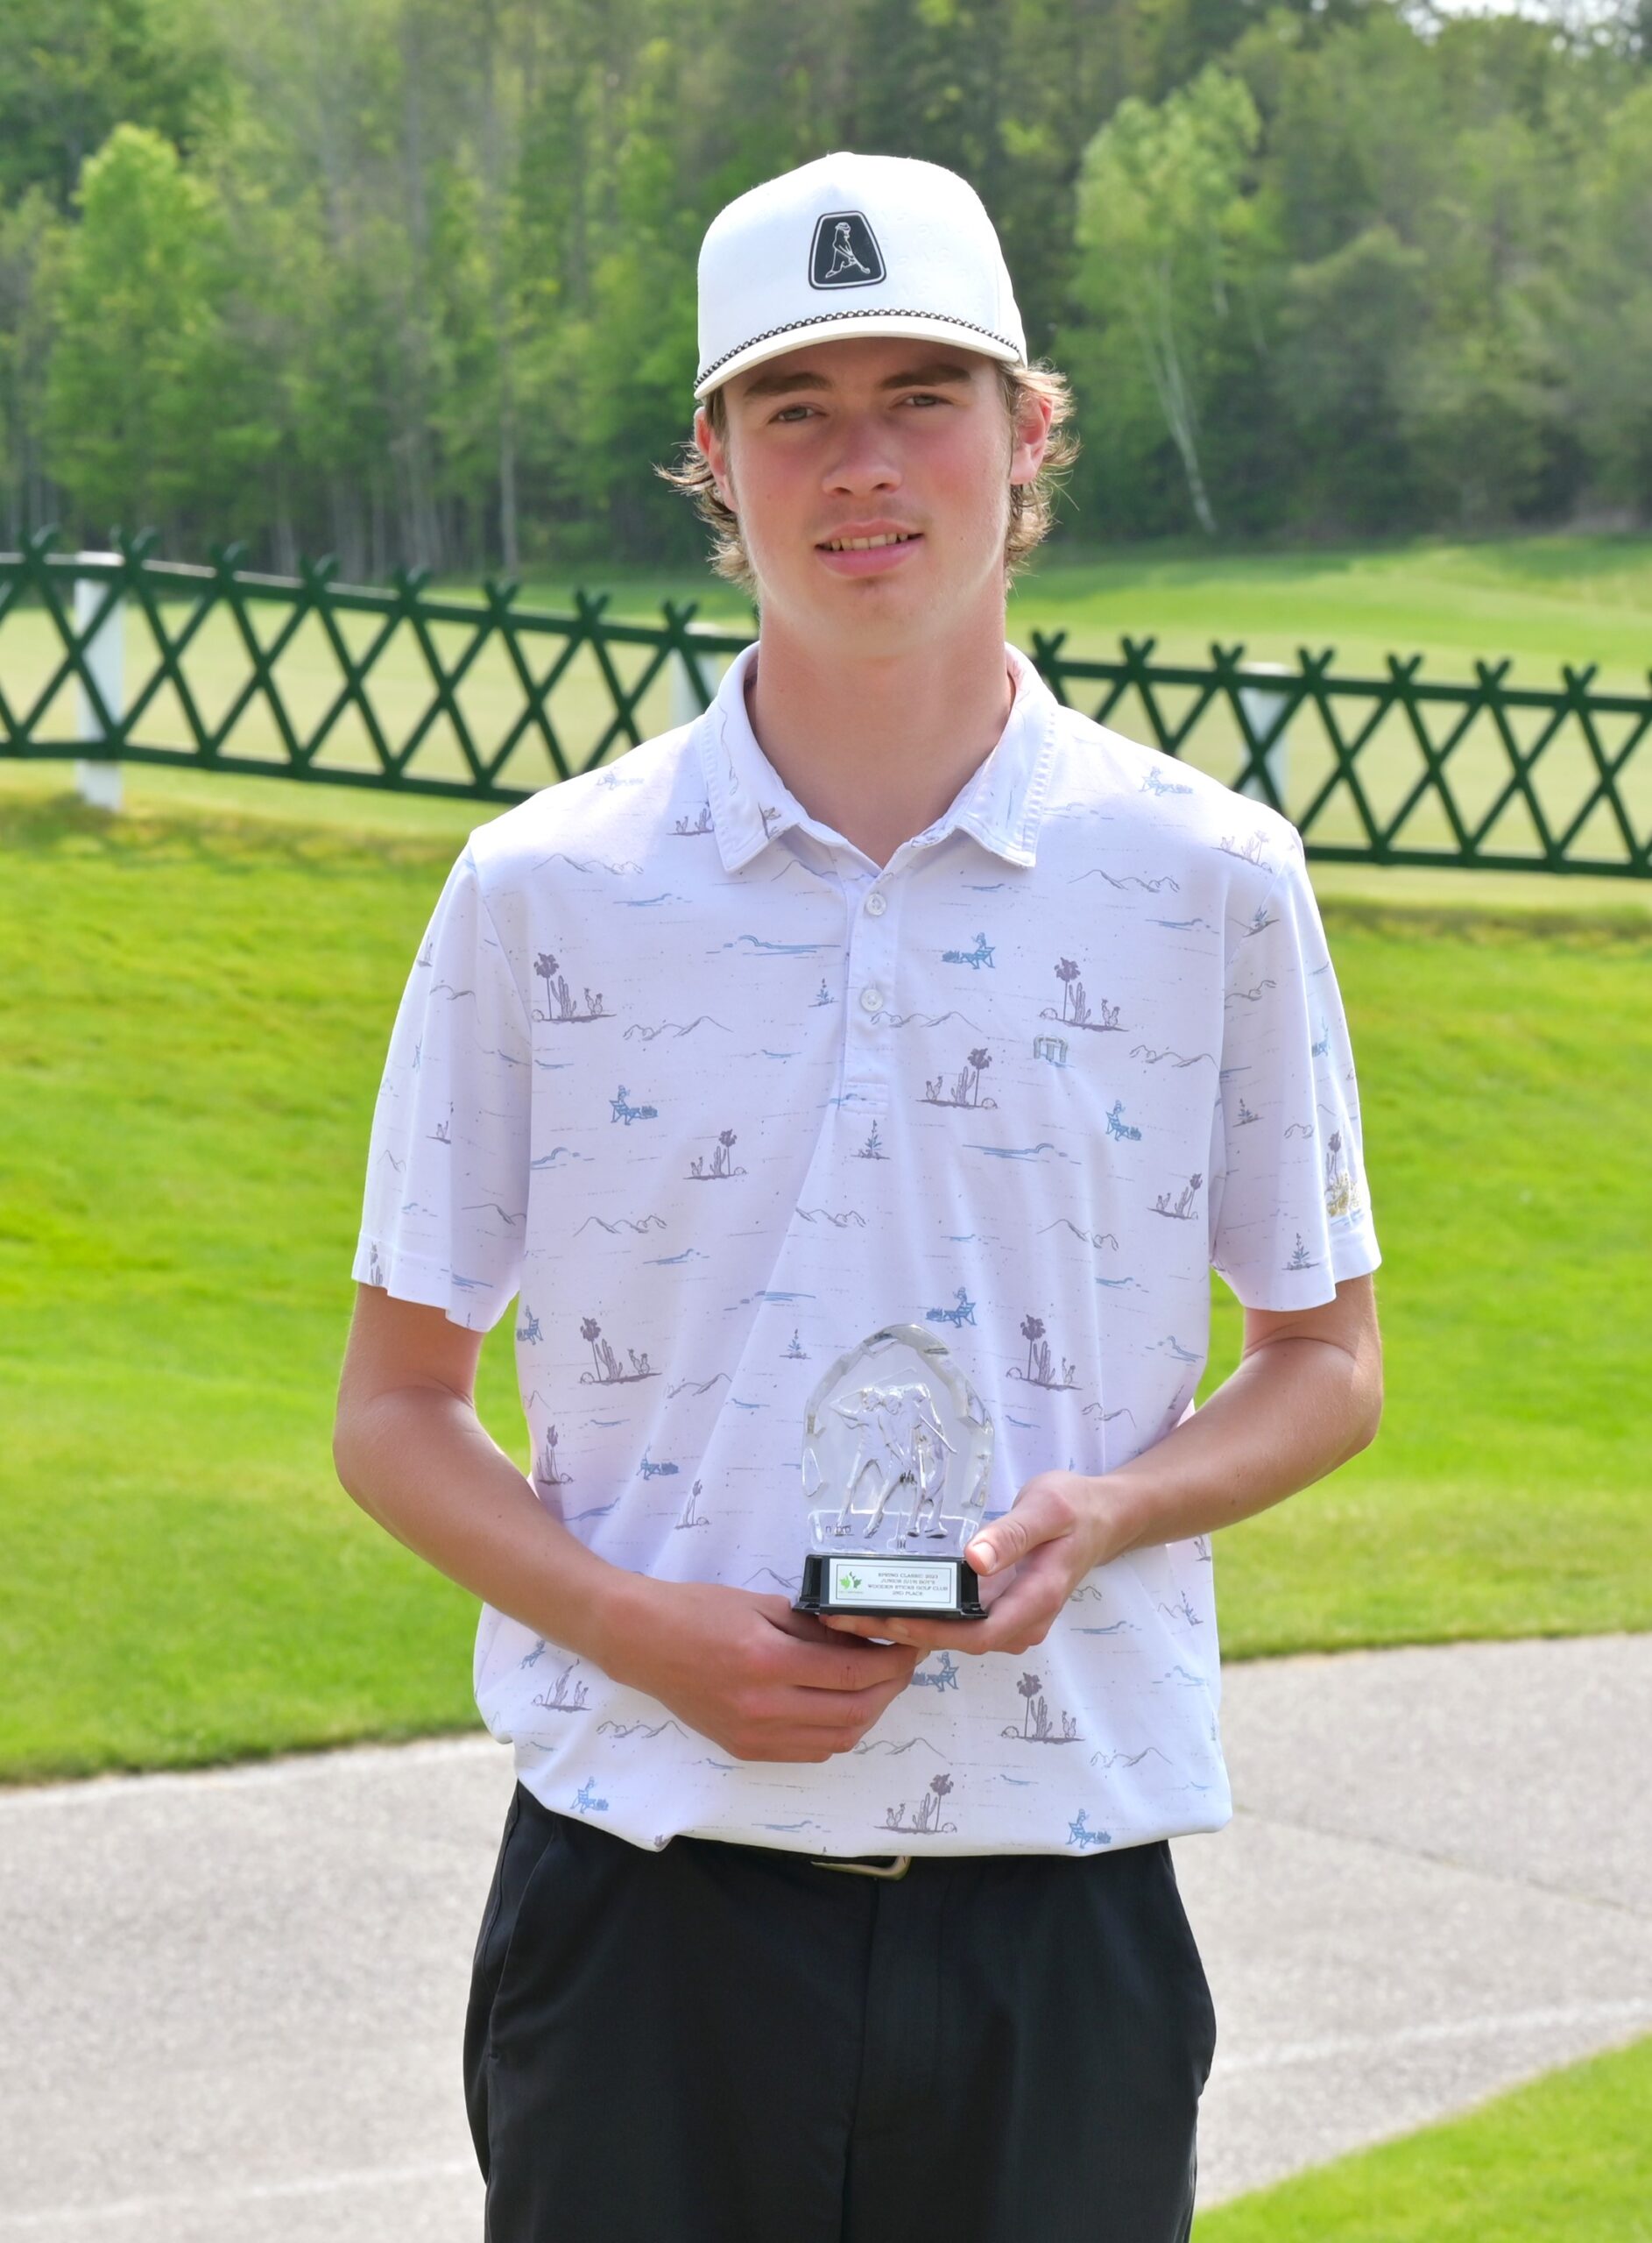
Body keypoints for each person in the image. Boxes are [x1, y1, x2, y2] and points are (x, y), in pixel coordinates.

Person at [332, 149, 1384, 2243]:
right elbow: (393, 1408)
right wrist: (638, 1626)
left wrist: (1112, 1506)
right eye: (796, 407)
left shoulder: (1209, 879)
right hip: (643, 1894)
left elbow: (1325, 1359)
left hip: (1061, 1889)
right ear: (713, 460)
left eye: (924, 393)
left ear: (1030, 432)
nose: (864, 462)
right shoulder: (544, 886)